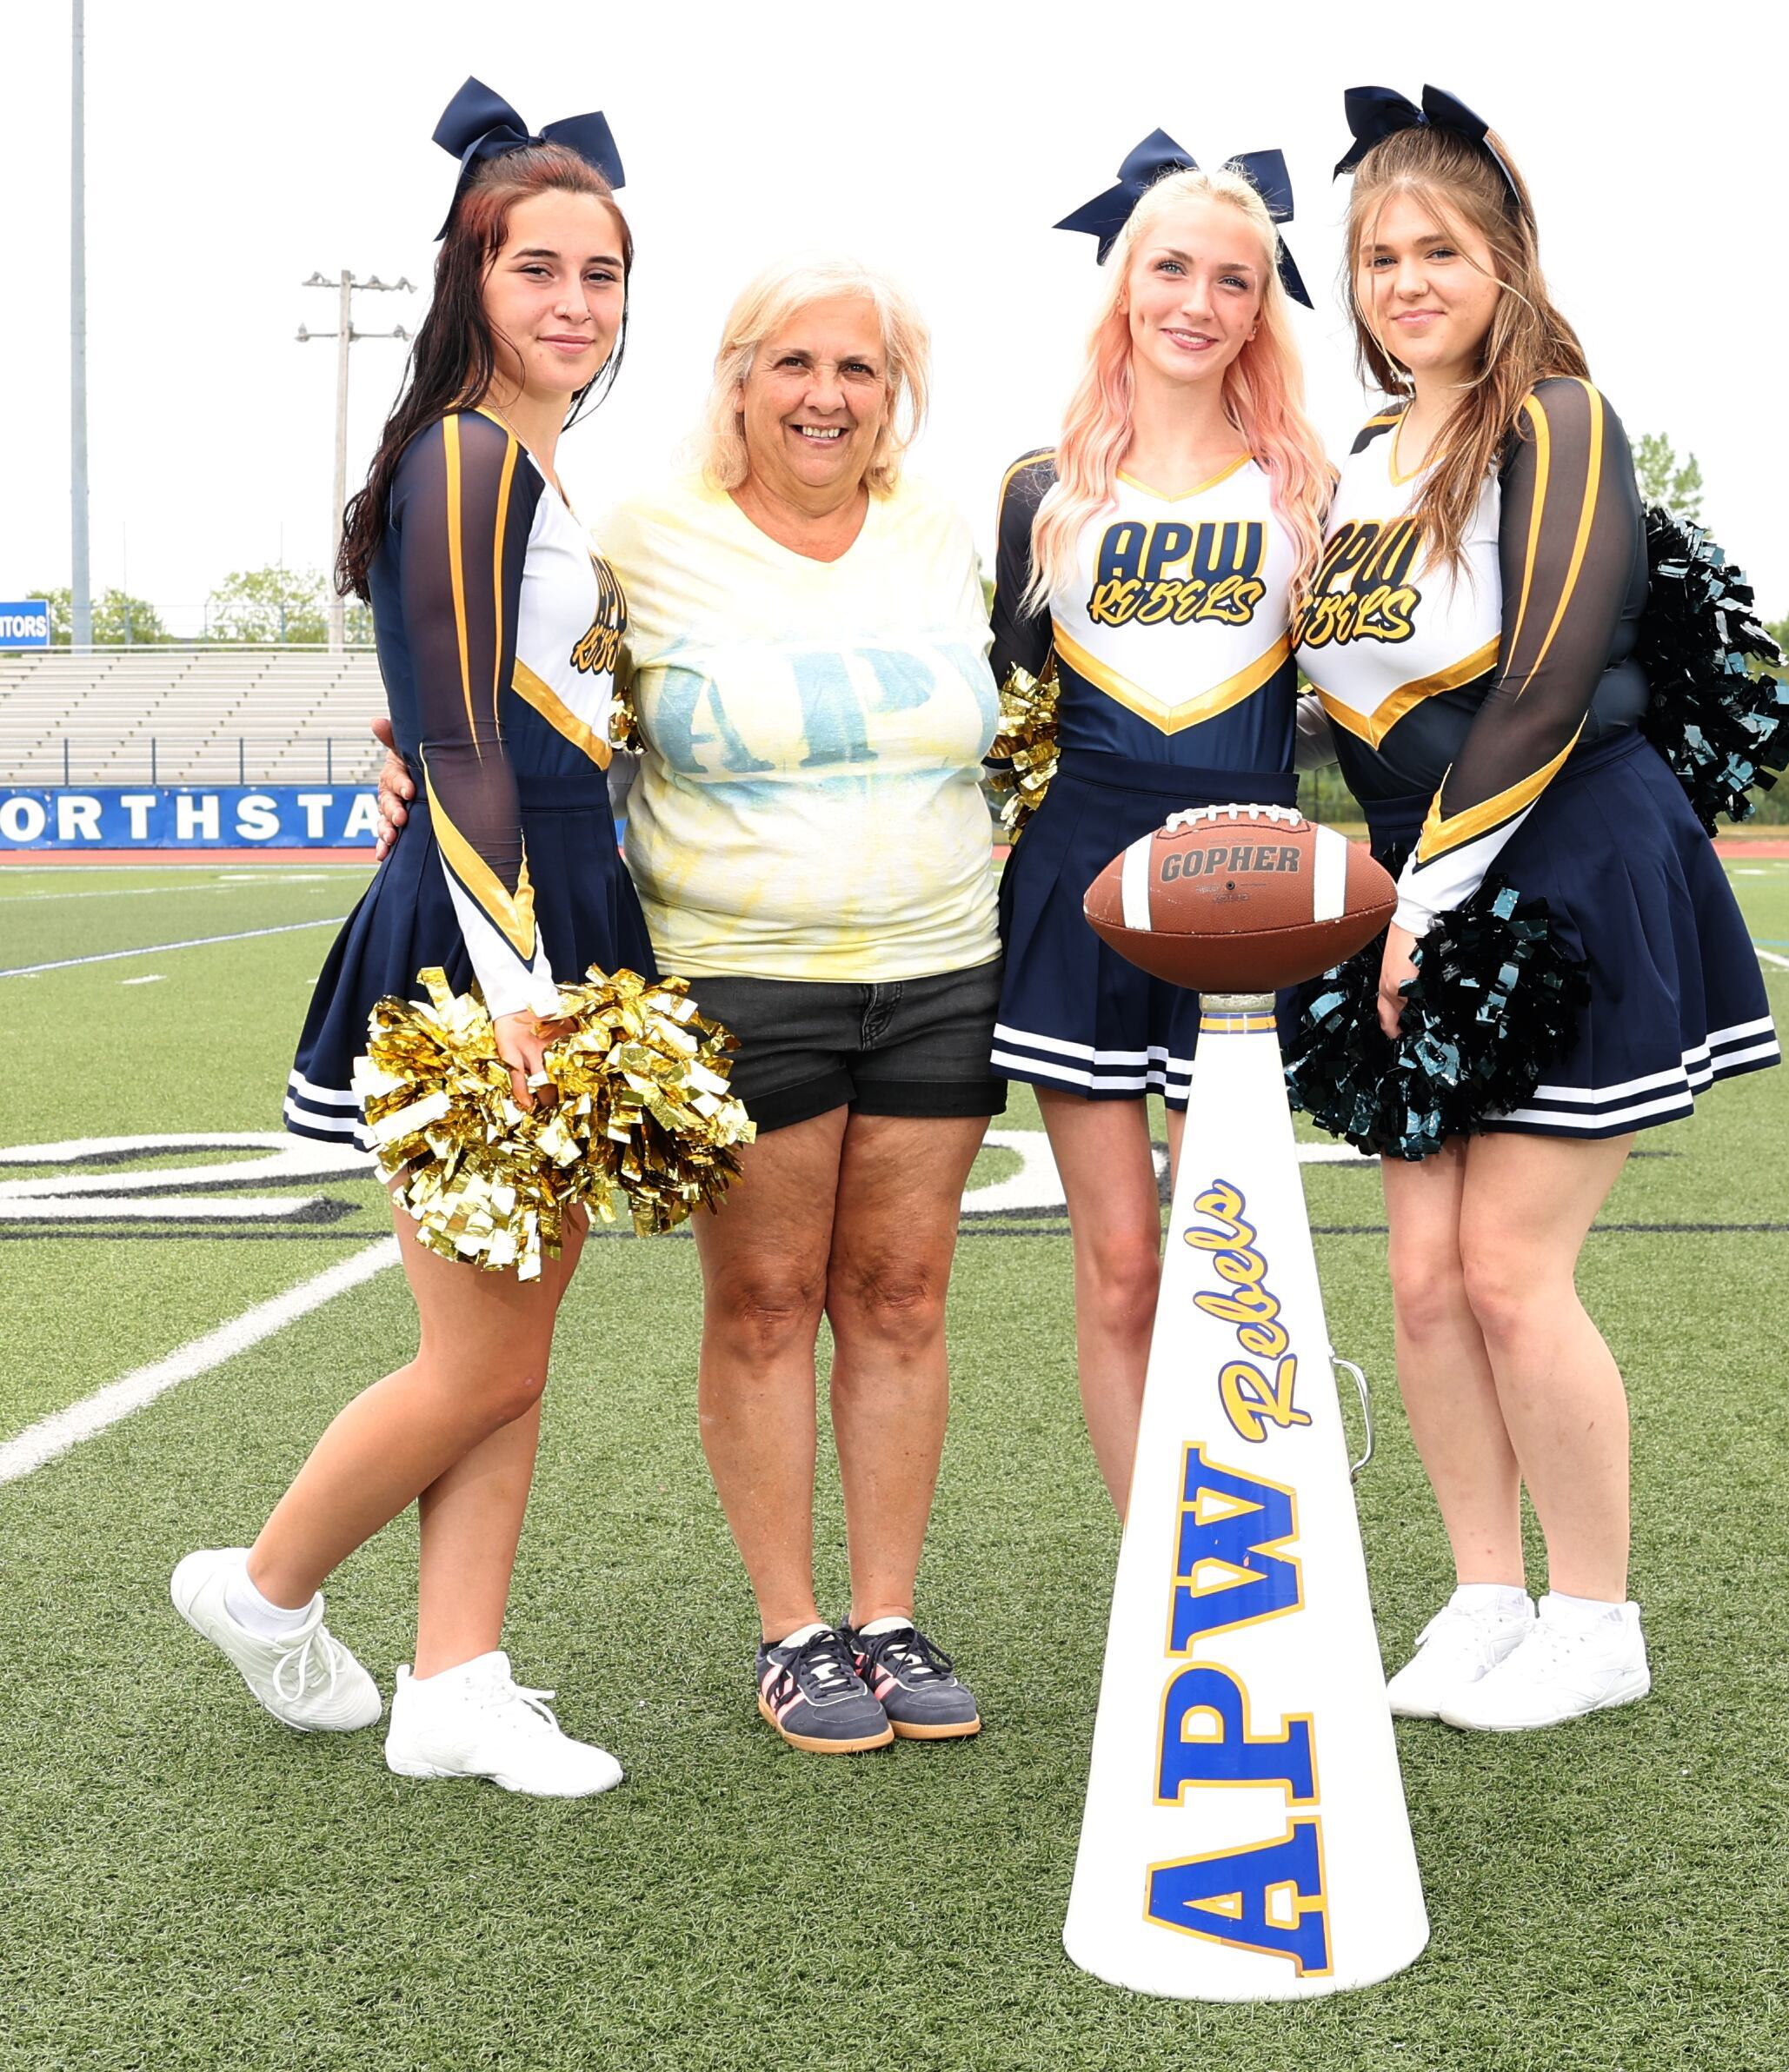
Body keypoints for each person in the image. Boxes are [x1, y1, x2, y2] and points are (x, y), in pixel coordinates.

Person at [171, 83, 649, 1796]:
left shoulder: (538, 468)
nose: (576, 302)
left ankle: (455, 1678)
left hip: (558, 921)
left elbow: (535, 717)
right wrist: (522, 989)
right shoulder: (461, 451)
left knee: (515, 1335)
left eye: (604, 272)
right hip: (485, 944)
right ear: (472, 274)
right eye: (540, 268)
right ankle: (265, 1581)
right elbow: (456, 735)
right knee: (481, 1349)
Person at [1292, 87, 1780, 1731]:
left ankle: (1595, 1615)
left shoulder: (1554, 421)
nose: (1405, 281)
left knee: (1508, 1269)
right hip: (1414, 886)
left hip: (1554, 865)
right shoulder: (1358, 456)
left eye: (1438, 249)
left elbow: (1555, 678)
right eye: (1376, 256)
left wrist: (1426, 896)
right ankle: (1483, 1595)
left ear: (1505, 262)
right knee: (1420, 1280)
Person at [592, 258, 1001, 1753]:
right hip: (737, 974)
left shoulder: (941, 532)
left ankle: (886, 1615)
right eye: (796, 366)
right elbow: (547, 707)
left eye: (861, 371)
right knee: (764, 1303)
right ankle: (790, 1630)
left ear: (895, 398)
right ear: (739, 379)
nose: (827, 397)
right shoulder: (646, 538)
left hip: (944, 961)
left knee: (897, 1299)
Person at [989, 136, 1333, 1515]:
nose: (1198, 300)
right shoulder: (1042, 490)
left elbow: (1374, 697)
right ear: (1124, 285)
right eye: (1171, 267)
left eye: (1233, 280)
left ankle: (1250, 1532)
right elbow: (979, 705)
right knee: (1121, 1263)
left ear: (1262, 308)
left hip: (1244, 895)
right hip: (1080, 887)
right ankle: (1158, 1570)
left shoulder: (1306, 493)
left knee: (1222, 1256)